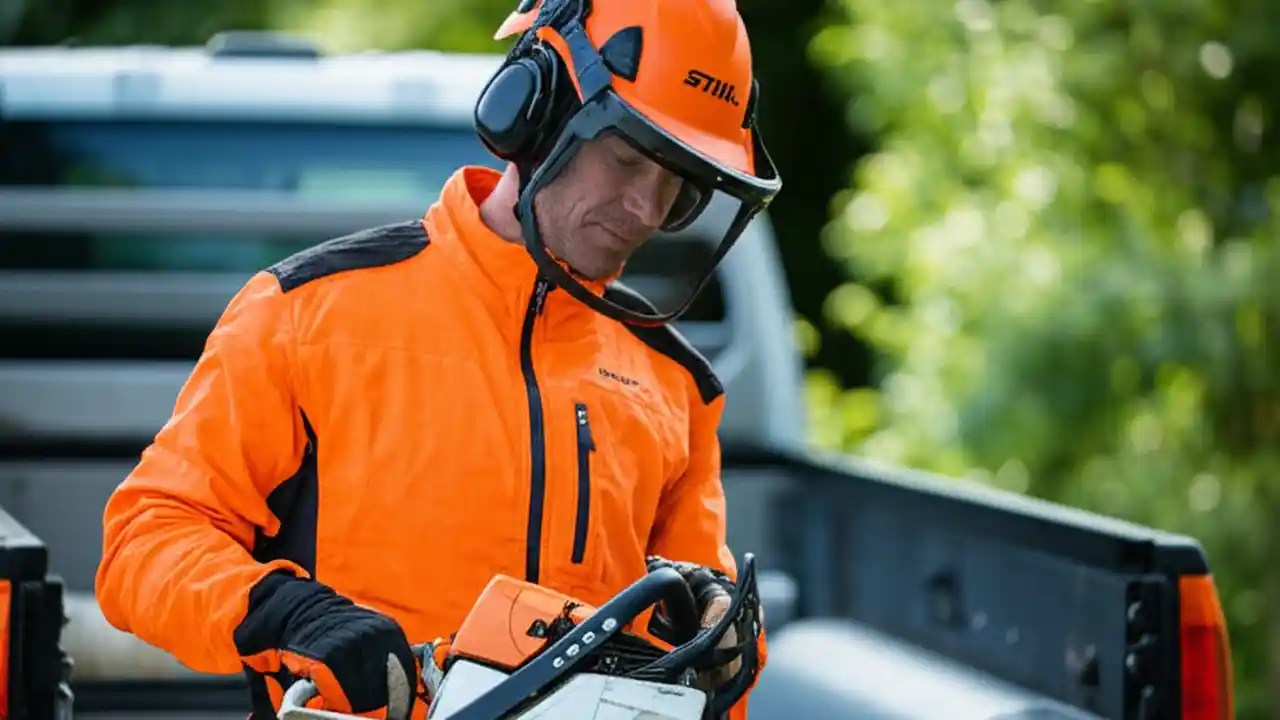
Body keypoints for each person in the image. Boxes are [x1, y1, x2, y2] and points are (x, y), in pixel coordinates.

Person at [94, 0, 782, 717]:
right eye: (628, 159)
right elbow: (147, 543)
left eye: (679, 185)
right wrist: (287, 613)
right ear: (535, 111)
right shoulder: (308, 312)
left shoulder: (674, 384)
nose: (646, 207)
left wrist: (718, 624)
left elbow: (711, 660)